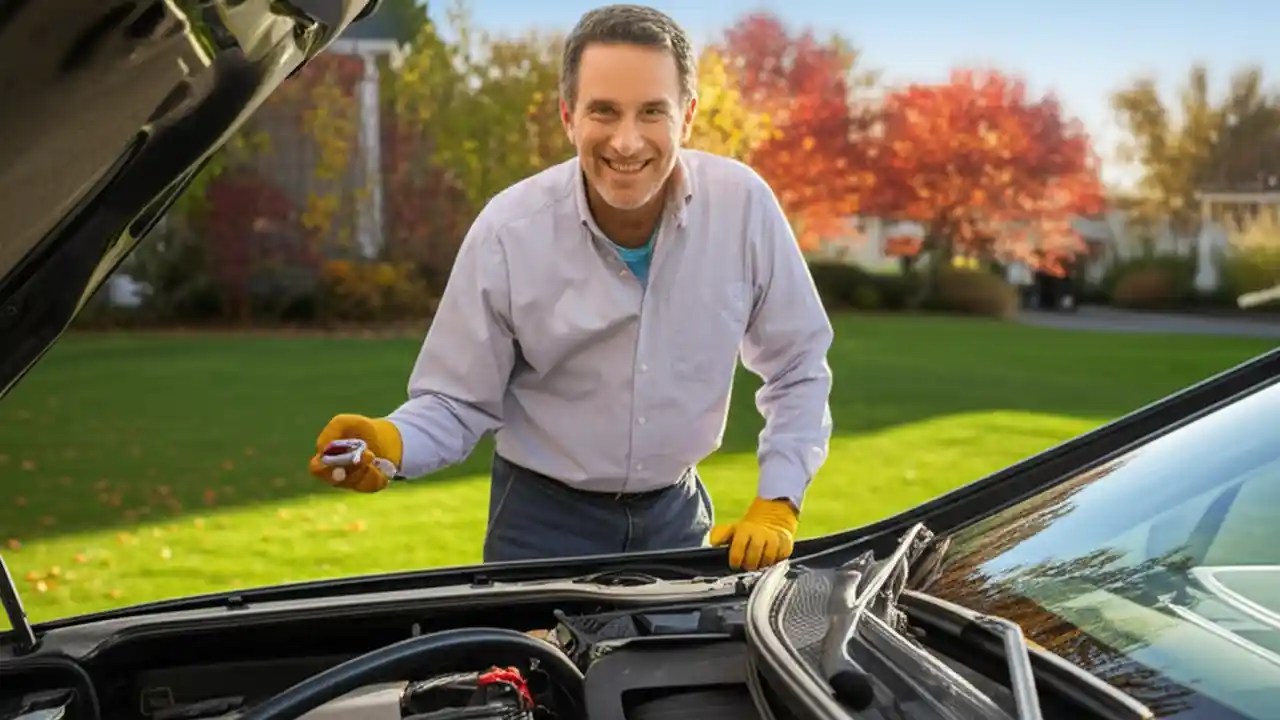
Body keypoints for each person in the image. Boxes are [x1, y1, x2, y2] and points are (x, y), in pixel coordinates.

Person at [308, 3, 834, 572]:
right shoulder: (509, 232)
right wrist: (388, 444)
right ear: (568, 115)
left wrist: (778, 500)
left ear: (686, 118)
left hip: (677, 519)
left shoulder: (743, 209)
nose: (627, 141)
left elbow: (798, 366)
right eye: (603, 112)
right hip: (541, 525)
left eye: (652, 112)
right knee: (535, 665)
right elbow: (457, 402)